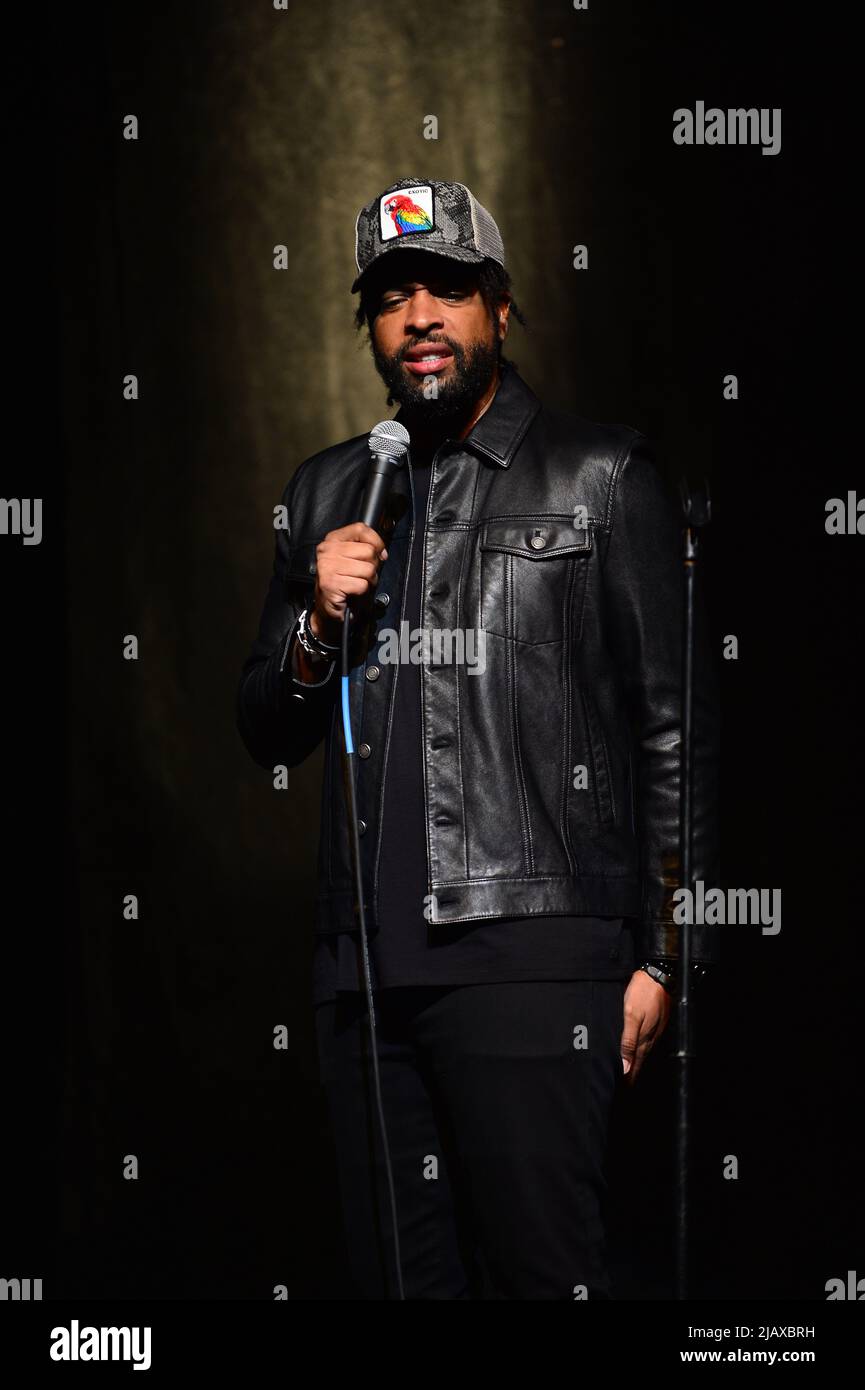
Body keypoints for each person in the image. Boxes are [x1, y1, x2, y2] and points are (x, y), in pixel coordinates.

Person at [236, 177, 720, 1300]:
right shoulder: (328, 489)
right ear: (369, 326)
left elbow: (672, 729)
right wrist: (315, 622)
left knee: (544, 1279)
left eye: (447, 290)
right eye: (391, 296)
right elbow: (263, 726)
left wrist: (667, 952)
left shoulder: (602, 474)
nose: (419, 317)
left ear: (500, 309)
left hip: (535, 964)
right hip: (365, 980)